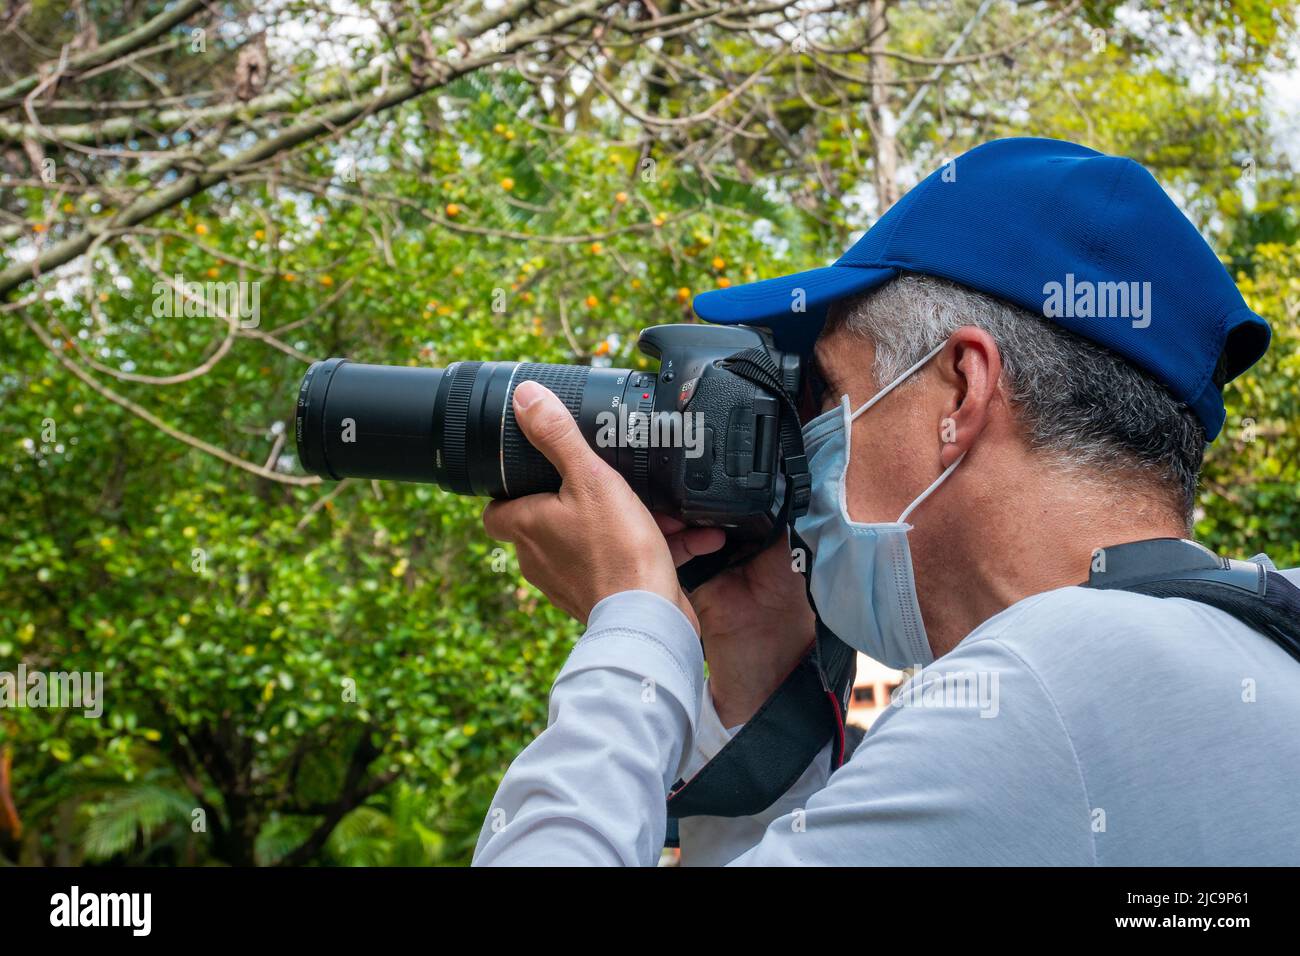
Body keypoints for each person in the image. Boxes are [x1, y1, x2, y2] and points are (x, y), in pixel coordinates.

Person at [471, 137, 1300, 866]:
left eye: (826, 390)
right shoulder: (1259, 640)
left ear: (961, 393)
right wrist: (758, 677)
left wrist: (634, 627)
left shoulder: (1039, 690)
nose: (807, 440)